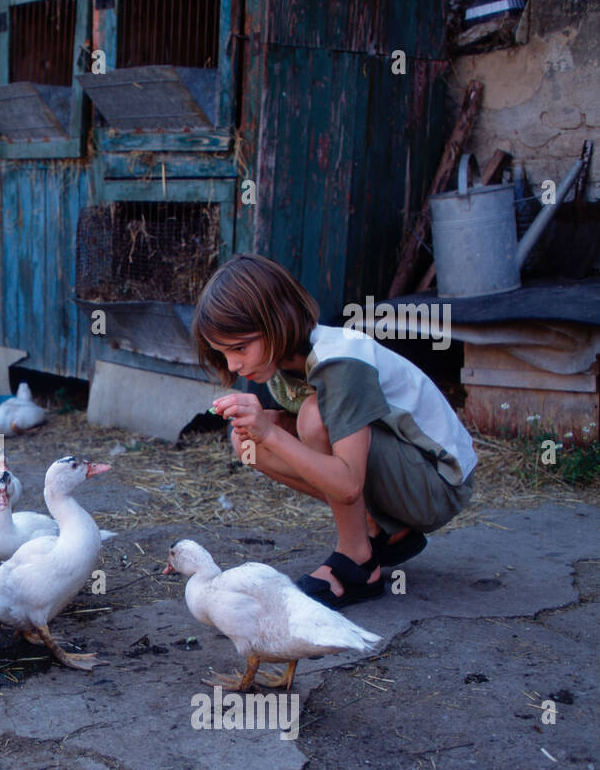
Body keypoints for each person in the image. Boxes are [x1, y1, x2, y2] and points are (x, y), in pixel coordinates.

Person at [192, 254, 477, 607]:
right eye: (224, 353)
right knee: (245, 440)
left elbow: (347, 484)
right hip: (406, 472)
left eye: (240, 348)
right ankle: (379, 528)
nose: (234, 365)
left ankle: (358, 561)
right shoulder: (284, 360)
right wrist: (262, 430)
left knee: (314, 417)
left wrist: (272, 432)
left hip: (438, 484)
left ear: (277, 321)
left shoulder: (338, 363)